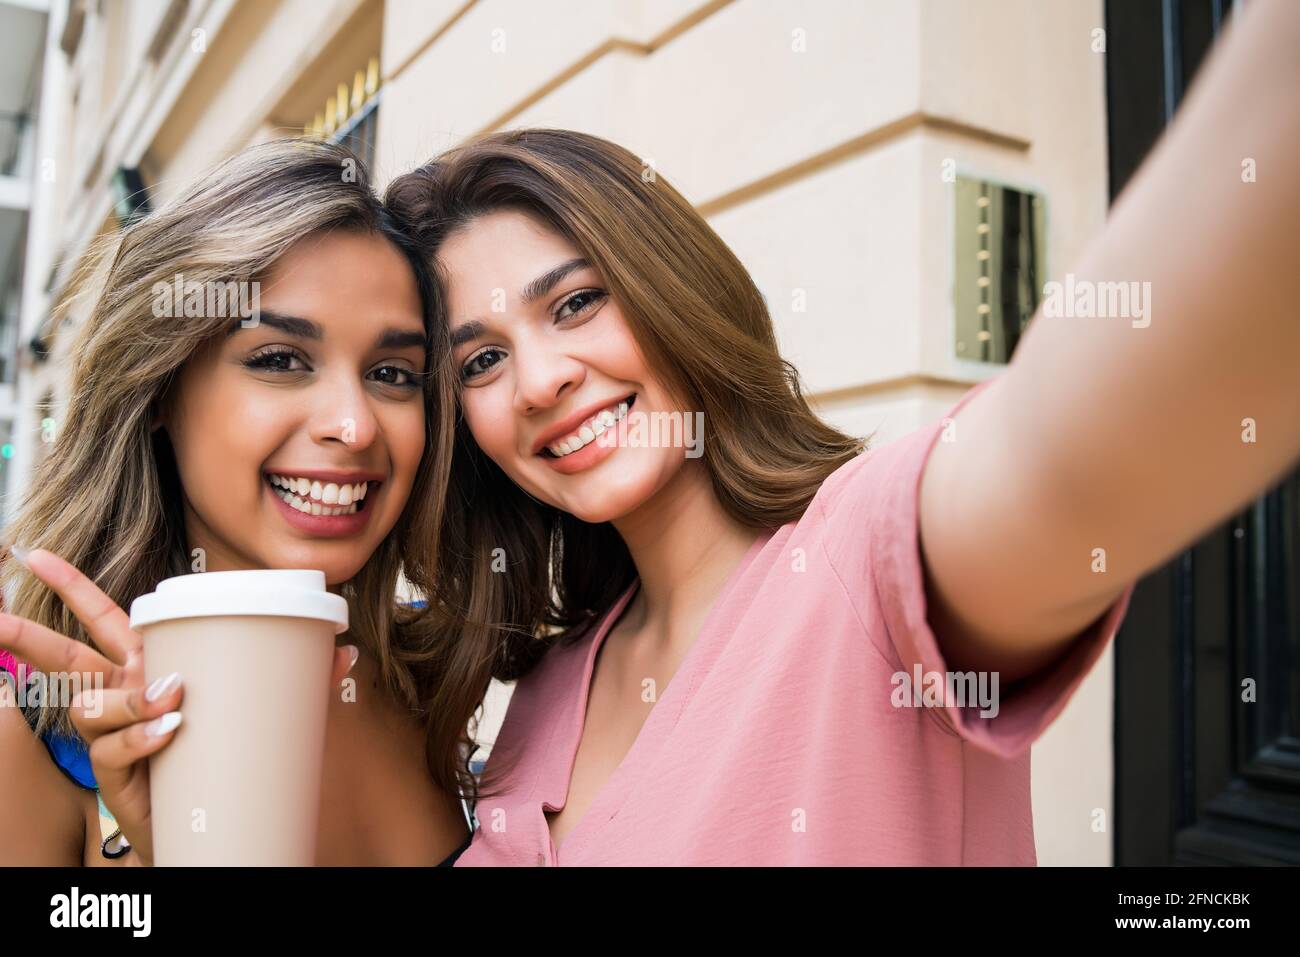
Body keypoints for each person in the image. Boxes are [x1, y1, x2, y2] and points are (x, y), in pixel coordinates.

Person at [382, 0, 1300, 864]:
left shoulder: (867, 563)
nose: (541, 380)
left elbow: (1072, 451)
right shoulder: (546, 684)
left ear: (672, 290)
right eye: (482, 360)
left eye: (577, 302)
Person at [0, 139, 477, 866]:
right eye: (280, 359)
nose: (353, 426)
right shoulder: (35, 735)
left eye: (392, 373)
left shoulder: (432, 672)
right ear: (158, 390)